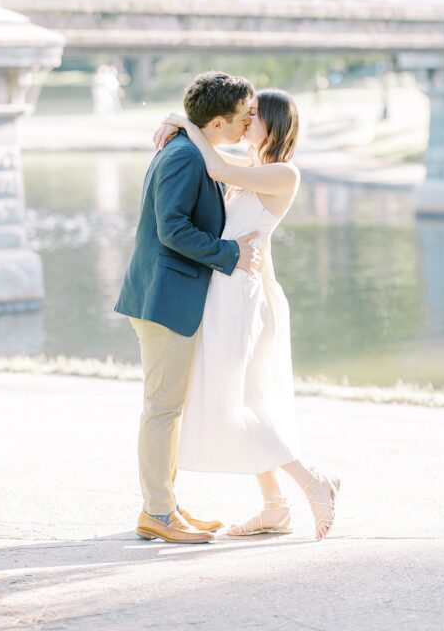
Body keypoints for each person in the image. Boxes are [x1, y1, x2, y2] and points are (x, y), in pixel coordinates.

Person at [155, 89, 341, 541]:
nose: (244, 119)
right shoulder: (254, 173)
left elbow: (215, 166)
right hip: (231, 288)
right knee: (244, 400)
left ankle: (313, 484)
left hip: (238, 295)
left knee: (233, 402)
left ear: (274, 125)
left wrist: (184, 122)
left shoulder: (283, 174)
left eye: (254, 115)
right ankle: (274, 506)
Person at [114, 71, 261, 544]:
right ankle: (157, 512)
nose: (248, 126)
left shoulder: (193, 148)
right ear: (217, 123)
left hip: (168, 295)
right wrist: (232, 253)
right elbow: (171, 229)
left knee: (168, 407)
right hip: (164, 298)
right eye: (244, 118)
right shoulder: (182, 156)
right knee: (161, 408)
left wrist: (181, 120)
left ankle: (165, 504)